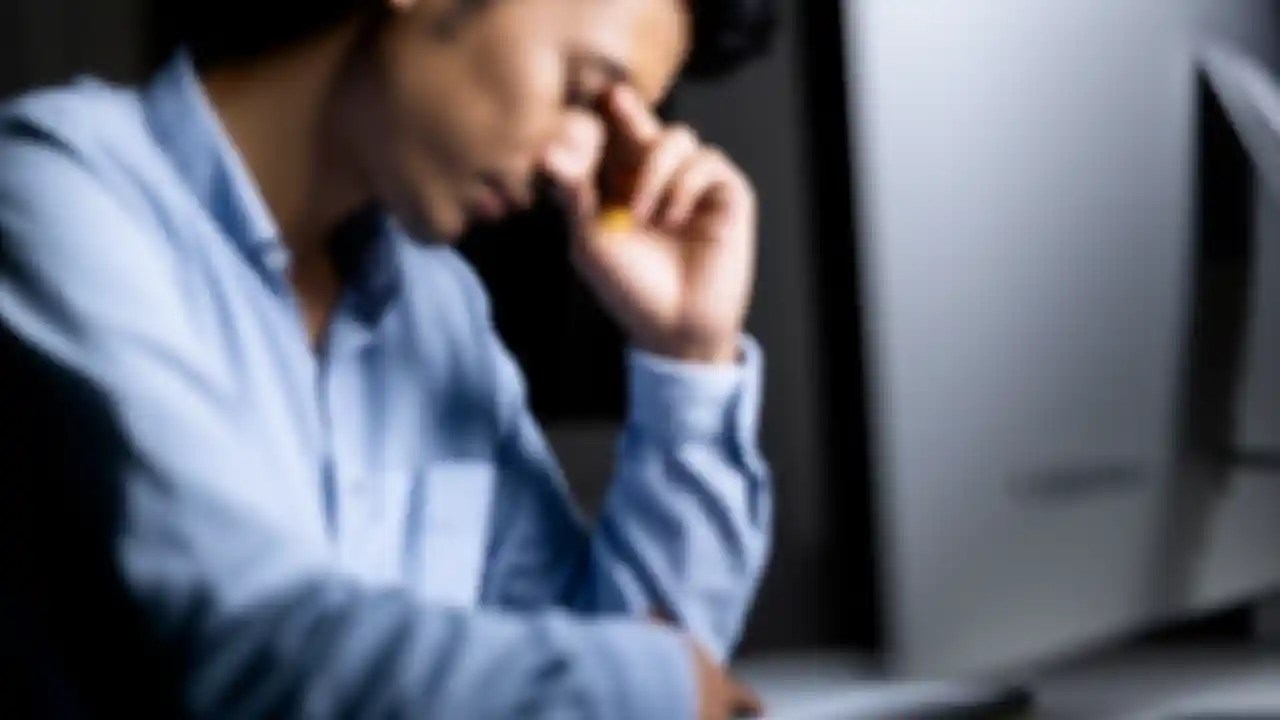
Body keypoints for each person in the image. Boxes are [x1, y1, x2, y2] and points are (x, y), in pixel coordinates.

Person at [0, 0, 775, 717]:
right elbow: (229, 643)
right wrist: (647, 691)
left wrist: (688, 353)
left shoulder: (438, 309)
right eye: (581, 92)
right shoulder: (54, 195)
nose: (571, 166)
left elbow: (604, 644)